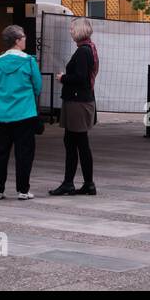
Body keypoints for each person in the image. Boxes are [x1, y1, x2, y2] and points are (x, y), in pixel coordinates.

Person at [0, 25, 42, 199]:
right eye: (24, 37)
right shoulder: (28, 61)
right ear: (17, 41)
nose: (26, 39)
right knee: (24, 153)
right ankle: (23, 190)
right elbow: (38, 87)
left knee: (0, 152)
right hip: (24, 113)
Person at [51, 18, 99, 196]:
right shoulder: (90, 49)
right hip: (83, 102)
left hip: (77, 103)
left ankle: (73, 183)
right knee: (77, 142)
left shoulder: (82, 52)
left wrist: (62, 78)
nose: (70, 31)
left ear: (80, 31)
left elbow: (80, 78)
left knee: (75, 143)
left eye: (72, 28)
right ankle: (83, 183)